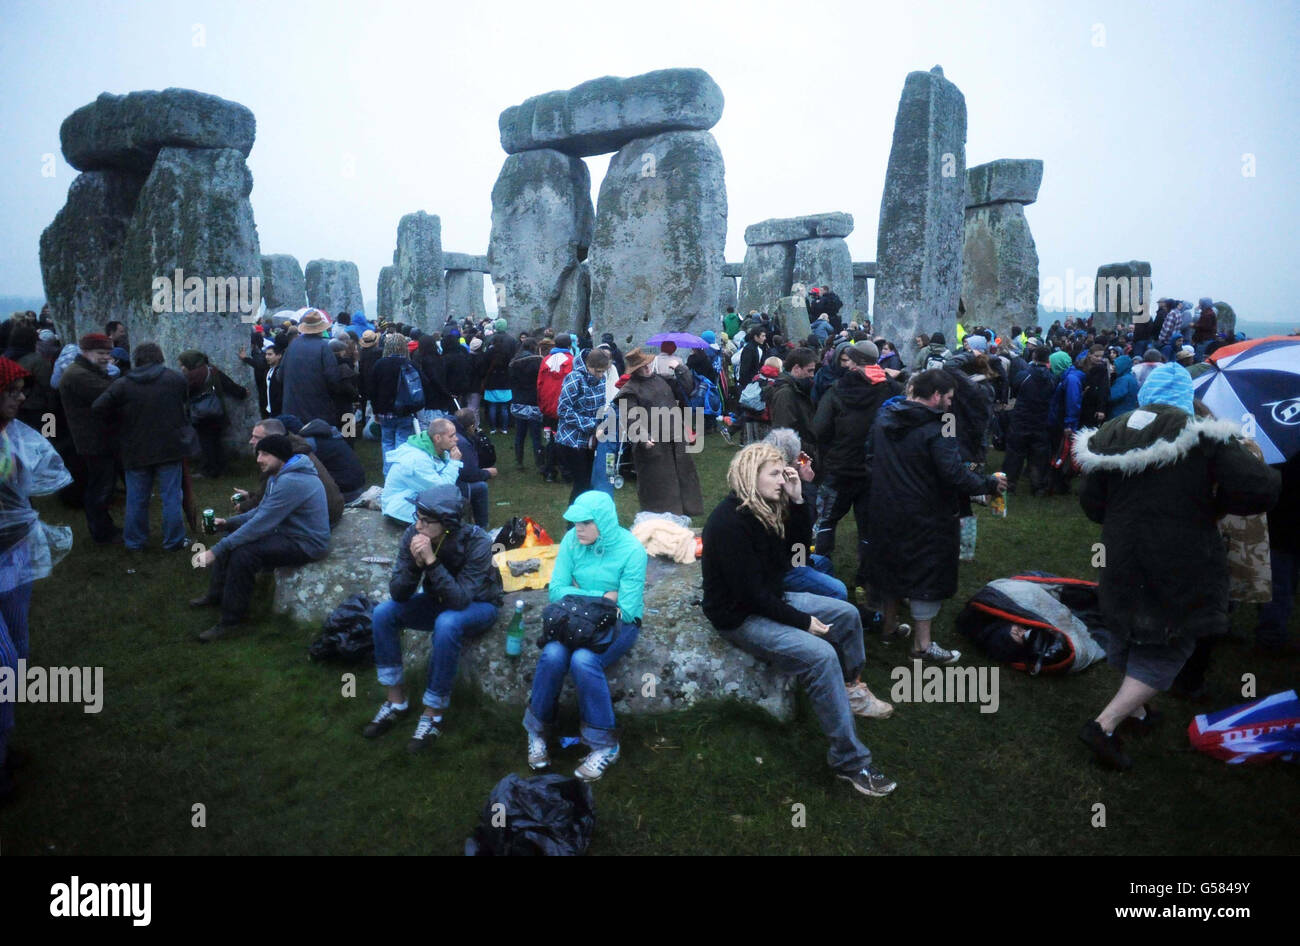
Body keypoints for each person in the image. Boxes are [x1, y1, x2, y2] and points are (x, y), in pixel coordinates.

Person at [1073, 363, 1279, 769]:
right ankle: (1105, 724)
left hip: (1121, 550)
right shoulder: (1201, 435)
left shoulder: (1113, 432)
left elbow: (1092, 502)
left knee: (1132, 626)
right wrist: (1216, 505)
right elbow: (1258, 487)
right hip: (1180, 556)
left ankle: (1137, 711)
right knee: (1173, 640)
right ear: (1185, 396)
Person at [702, 443, 896, 797]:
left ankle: (851, 688)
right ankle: (850, 762)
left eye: (783, 472)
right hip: (739, 615)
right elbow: (749, 596)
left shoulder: (768, 509)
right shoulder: (727, 523)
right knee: (820, 656)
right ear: (750, 475)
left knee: (849, 613)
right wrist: (803, 621)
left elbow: (796, 555)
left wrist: (798, 500)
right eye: (774, 473)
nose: (783, 478)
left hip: (770, 597)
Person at [866, 369, 1008, 664]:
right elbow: (953, 473)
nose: (951, 404)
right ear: (936, 396)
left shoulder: (883, 418)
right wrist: (989, 484)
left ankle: (890, 628)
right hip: (926, 514)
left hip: (885, 508)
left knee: (890, 566)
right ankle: (921, 646)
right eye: (950, 398)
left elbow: (870, 458)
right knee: (926, 575)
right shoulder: (942, 424)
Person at [360, 483, 503, 750]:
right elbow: (399, 594)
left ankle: (433, 713)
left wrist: (431, 562)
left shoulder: (478, 541)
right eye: (418, 518)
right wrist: (415, 567)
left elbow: (461, 600)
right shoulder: (411, 536)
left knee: (447, 622)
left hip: (480, 604)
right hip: (438, 600)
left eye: (426, 522)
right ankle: (396, 700)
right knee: (383, 613)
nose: (419, 526)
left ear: (447, 523)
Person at [523, 490, 646, 780]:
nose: (578, 528)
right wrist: (603, 595)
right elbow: (555, 591)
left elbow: (627, 611)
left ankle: (605, 745)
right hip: (577, 619)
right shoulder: (571, 541)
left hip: (618, 625)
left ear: (602, 522)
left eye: (585, 523)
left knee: (583, 660)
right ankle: (538, 732)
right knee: (553, 654)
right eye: (575, 522)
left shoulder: (632, 551)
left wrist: (576, 592)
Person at [0, 357, 74, 802]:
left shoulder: (13, 434)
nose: (22, 396)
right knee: (4, 664)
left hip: (13, 554)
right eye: (12, 390)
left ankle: (4, 747)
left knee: (20, 651)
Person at [190, 434, 331, 642]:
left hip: (307, 543)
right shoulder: (279, 475)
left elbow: (260, 523)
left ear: (280, 456)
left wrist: (215, 551)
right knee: (234, 538)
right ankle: (216, 595)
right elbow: (259, 511)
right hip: (289, 533)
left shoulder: (292, 481)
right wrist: (228, 523)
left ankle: (231, 622)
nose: (258, 459)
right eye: (258, 454)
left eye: (265, 454)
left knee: (244, 553)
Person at [91, 342, 190, 551]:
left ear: (137, 359)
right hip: (169, 445)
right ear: (160, 357)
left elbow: (98, 407)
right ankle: (174, 541)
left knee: (136, 498)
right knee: (171, 496)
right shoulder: (175, 378)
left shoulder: (123, 383)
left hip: (134, 446)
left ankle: (135, 542)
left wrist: (119, 423)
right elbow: (183, 403)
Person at [812, 342, 900, 564]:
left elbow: (819, 429)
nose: (846, 363)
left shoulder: (837, 389)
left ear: (857, 362)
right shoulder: (889, 389)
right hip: (874, 467)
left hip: (839, 466)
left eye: (849, 359)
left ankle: (821, 567)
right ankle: (865, 580)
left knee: (826, 520)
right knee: (868, 526)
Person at [610, 348, 703, 518]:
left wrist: (680, 369)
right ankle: (659, 526)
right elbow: (630, 418)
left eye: (647, 365)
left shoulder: (661, 380)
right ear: (635, 370)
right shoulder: (629, 390)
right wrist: (643, 437)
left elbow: (688, 388)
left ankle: (682, 519)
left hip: (675, 441)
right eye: (641, 367)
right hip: (653, 448)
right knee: (660, 490)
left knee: (683, 482)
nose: (646, 368)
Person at [56, 333, 121, 544]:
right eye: (101, 353)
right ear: (85, 352)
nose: (106, 358)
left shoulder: (87, 371)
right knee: (99, 489)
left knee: (102, 486)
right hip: (94, 440)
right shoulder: (79, 375)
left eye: (108, 353)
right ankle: (102, 533)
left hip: (98, 438)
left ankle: (104, 528)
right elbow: (113, 394)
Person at [232, 418, 344, 527]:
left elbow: (265, 504)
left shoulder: (280, 459)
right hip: (332, 509)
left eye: (256, 437)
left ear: (272, 439)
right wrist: (251, 495)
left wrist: (242, 507)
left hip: (321, 519)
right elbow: (272, 492)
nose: (251, 441)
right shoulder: (296, 447)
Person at [178, 349, 248, 478]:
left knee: (206, 443)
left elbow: (183, 394)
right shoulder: (211, 370)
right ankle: (220, 467)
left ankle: (209, 470)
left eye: (182, 364)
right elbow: (228, 384)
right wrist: (242, 392)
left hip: (201, 414)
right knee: (216, 440)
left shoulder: (191, 376)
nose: (181, 367)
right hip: (216, 411)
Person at [381, 416, 462, 523]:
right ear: (437, 438)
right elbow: (443, 489)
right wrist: (454, 463)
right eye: (451, 436)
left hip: (414, 496)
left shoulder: (433, 448)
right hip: (400, 508)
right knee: (447, 519)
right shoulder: (417, 460)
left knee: (457, 502)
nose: (456, 439)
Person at [555, 348, 609, 505]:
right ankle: (573, 523)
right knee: (581, 484)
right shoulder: (574, 378)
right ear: (588, 365)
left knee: (590, 483)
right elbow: (563, 410)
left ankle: (587, 519)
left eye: (603, 371)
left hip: (590, 440)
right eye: (598, 371)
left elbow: (600, 405)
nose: (600, 375)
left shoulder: (602, 379)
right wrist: (590, 424)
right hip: (571, 441)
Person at [1002, 345, 1054, 496]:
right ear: (1048, 359)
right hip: (1041, 420)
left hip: (1022, 419)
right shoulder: (1052, 378)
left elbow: (1015, 389)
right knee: (1039, 456)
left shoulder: (1024, 375)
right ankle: (1038, 486)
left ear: (1034, 357)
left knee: (1014, 454)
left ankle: (1008, 484)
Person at [278, 310, 343, 426]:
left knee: (296, 441)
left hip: (291, 407)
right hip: (317, 407)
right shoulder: (324, 347)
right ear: (321, 329)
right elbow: (333, 378)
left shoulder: (292, 345)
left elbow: (280, 376)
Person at [536, 333, 574, 483]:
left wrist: (542, 404)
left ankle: (549, 470)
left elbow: (539, 384)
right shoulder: (572, 361)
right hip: (563, 409)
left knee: (548, 438)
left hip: (547, 409)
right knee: (563, 440)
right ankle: (566, 472)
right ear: (570, 345)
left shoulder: (545, 360)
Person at [451, 407, 496, 528]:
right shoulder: (462, 443)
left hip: (449, 478)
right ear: (471, 426)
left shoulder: (455, 433)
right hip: (453, 483)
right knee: (481, 487)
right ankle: (482, 526)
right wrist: (487, 473)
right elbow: (469, 475)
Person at [509, 339, 544, 471]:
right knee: (536, 435)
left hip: (519, 400)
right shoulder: (539, 362)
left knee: (520, 434)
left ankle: (519, 461)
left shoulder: (513, 362)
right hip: (534, 401)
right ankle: (539, 463)